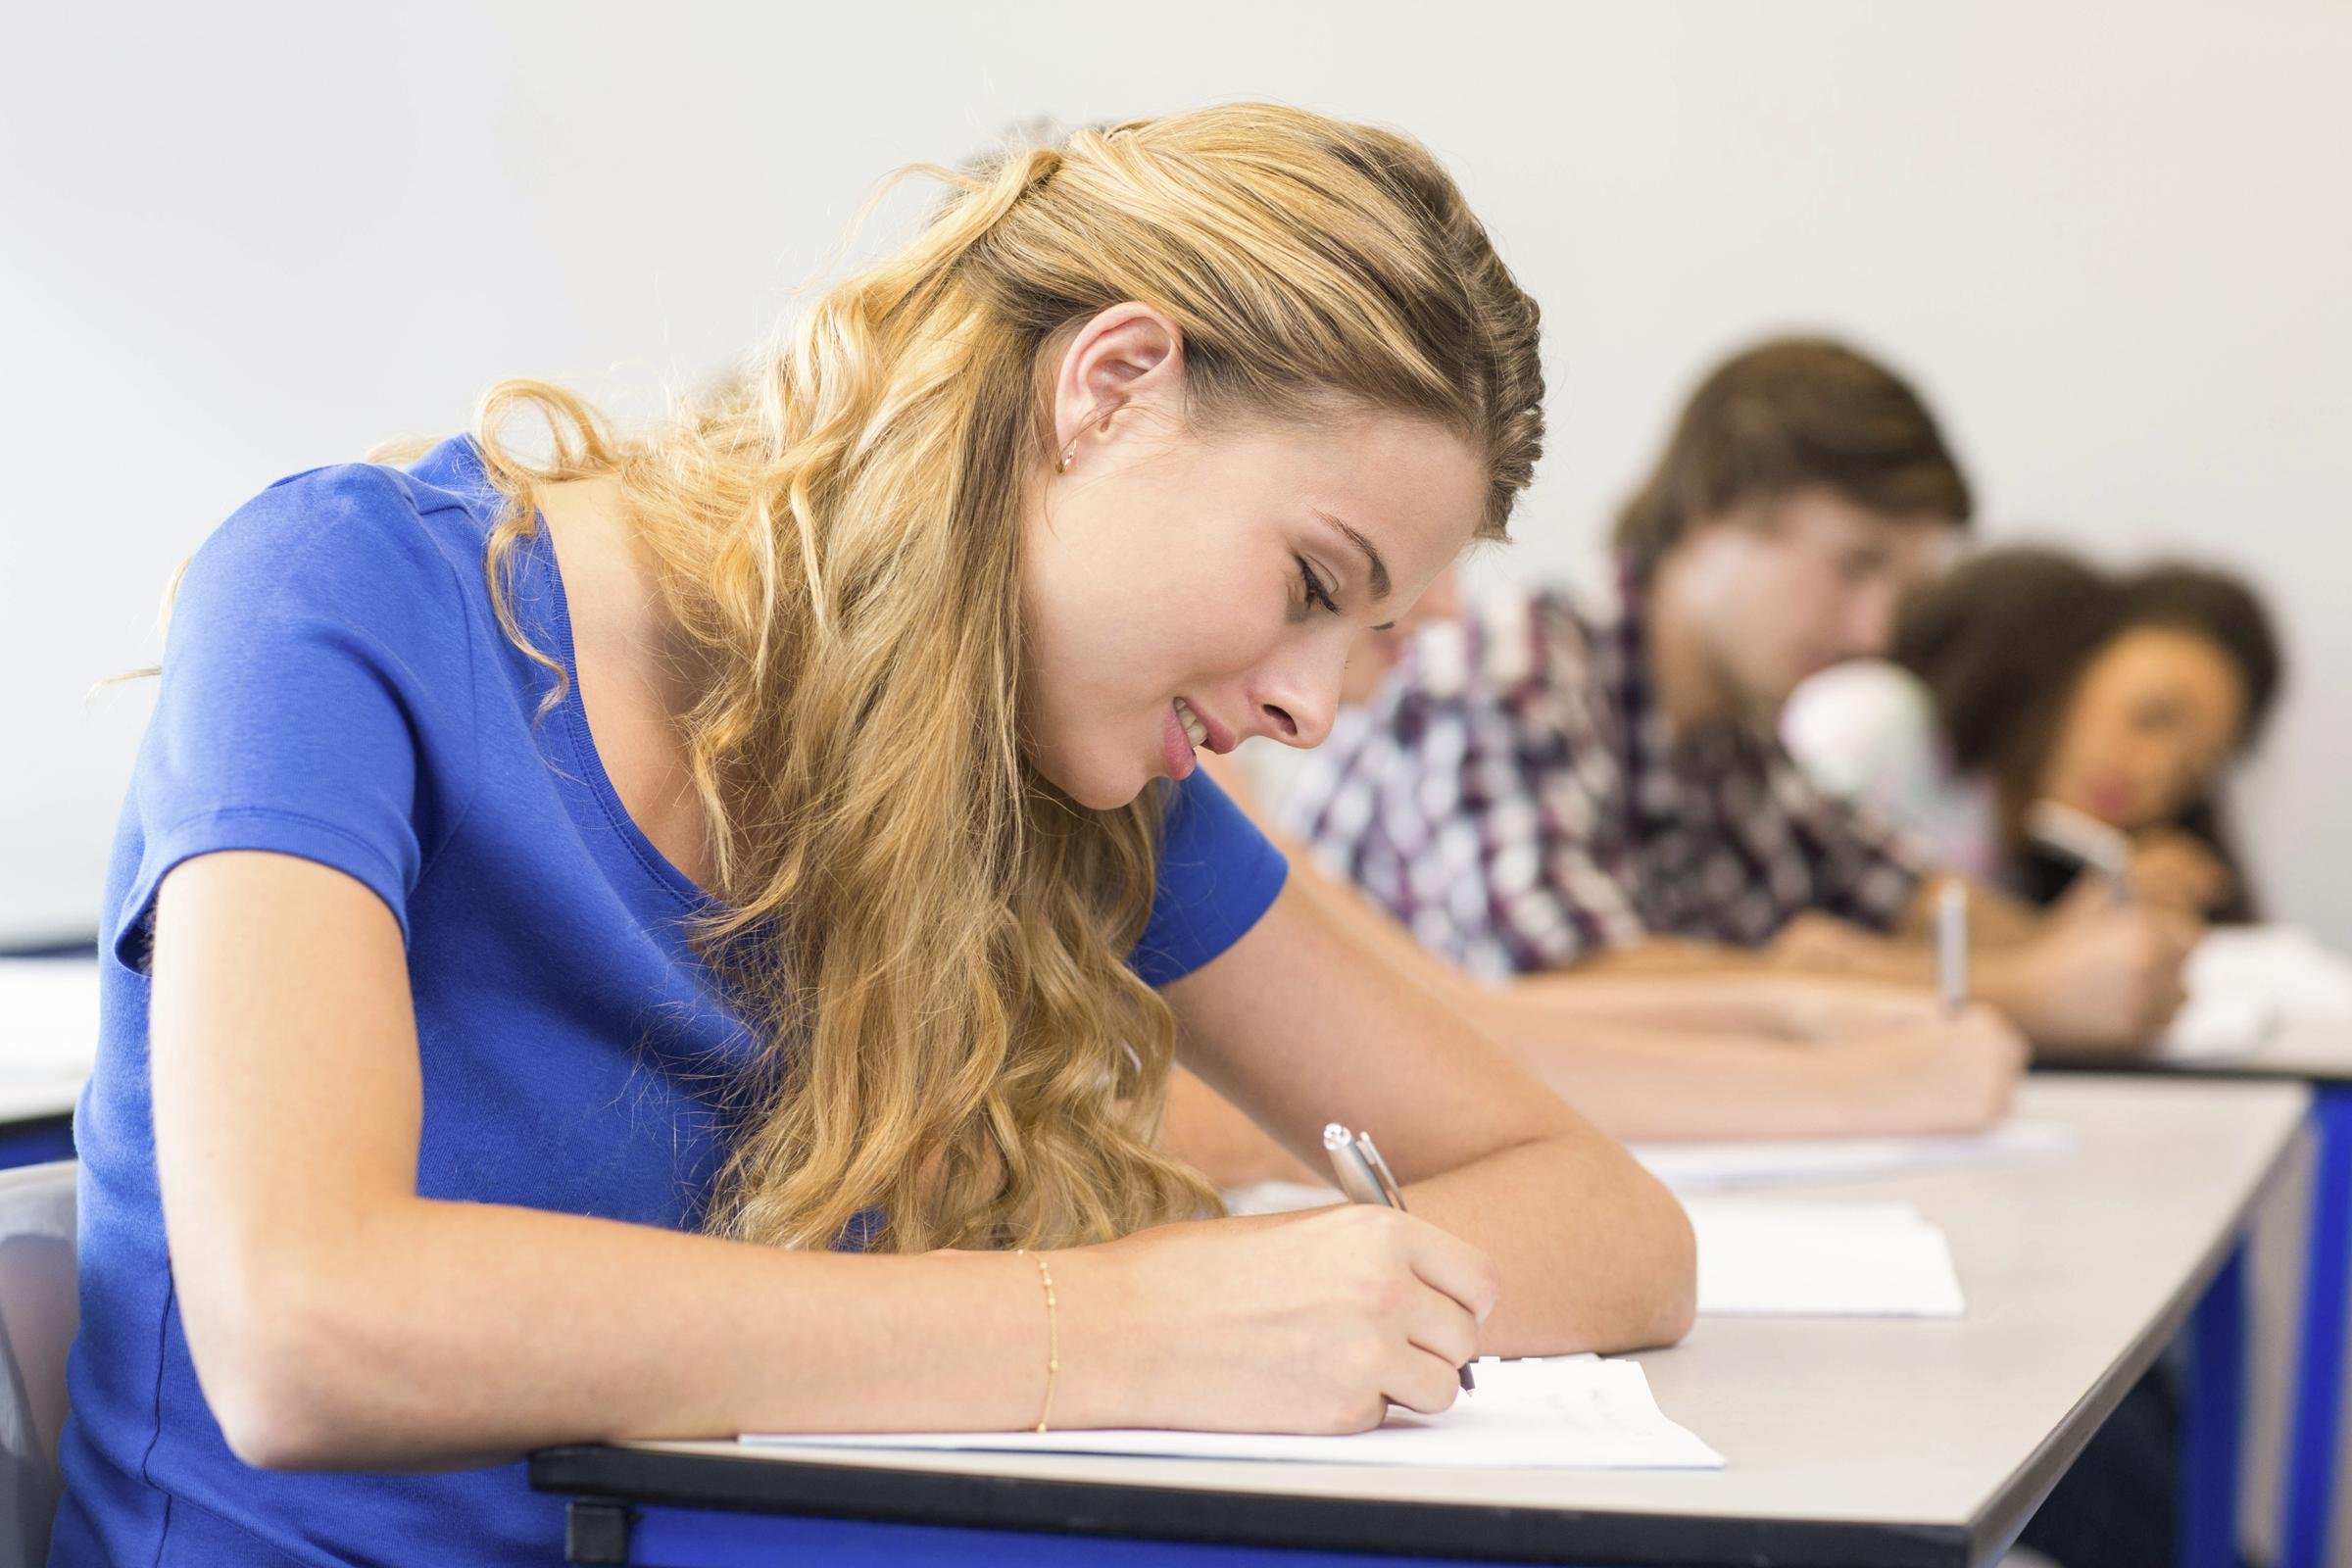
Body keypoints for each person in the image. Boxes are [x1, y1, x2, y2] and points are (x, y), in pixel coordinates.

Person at [51, 106, 1695, 1568]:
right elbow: (306, 1331)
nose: (1313, 708)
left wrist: (1315, 1307)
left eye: (1371, 637)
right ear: (1111, 389)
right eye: (1315, 587)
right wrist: (1113, 1325)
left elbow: (1610, 1223)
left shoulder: (1079, 784)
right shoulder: (344, 596)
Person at [1283, 337, 2196, 1054]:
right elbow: (1567, 985)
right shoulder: (1508, 668)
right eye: (1854, 565)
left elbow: (1905, 896)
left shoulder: (1738, 733)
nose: (1875, 633)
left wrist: (2070, 939)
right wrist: (2032, 992)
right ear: (1722, 507)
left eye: (1900, 590)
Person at [1164, 567, 2025, 1190]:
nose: (1449, 605)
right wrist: (1848, 1077)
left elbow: (1450, 1014)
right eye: (1343, 555)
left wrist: (1801, 1011)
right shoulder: (1512, 670)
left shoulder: (1195, 778)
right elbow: (1365, 1078)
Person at [1784, 546, 2283, 921]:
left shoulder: (2032, 855)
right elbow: (1786, 932)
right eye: (2151, 716)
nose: (2151, 774)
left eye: (2188, 775)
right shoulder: (1873, 720)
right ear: (2067, 655)